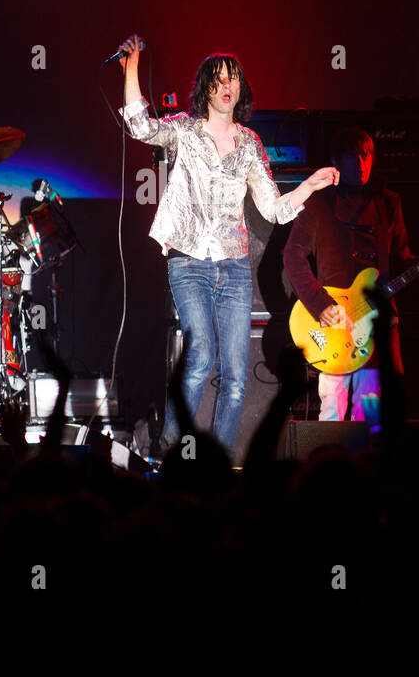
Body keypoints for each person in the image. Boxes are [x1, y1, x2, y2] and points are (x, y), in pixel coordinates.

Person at [115, 34, 338, 457]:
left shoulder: (251, 144)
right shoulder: (185, 129)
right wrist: (132, 67)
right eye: (217, 79)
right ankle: (167, 445)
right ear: (206, 89)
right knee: (199, 359)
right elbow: (141, 127)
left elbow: (272, 208)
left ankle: (212, 461)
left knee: (235, 376)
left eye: (232, 78)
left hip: (234, 267)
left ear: (240, 88)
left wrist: (309, 185)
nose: (226, 85)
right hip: (189, 263)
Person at [282, 126, 419, 432]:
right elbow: (292, 256)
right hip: (336, 327)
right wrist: (321, 305)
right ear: (336, 160)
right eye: (353, 155)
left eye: (366, 154)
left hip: (377, 324)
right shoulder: (319, 204)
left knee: (370, 412)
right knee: (332, 408)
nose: (361, 162)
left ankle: (367, 474)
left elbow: (401, 258)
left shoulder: (389, 203)